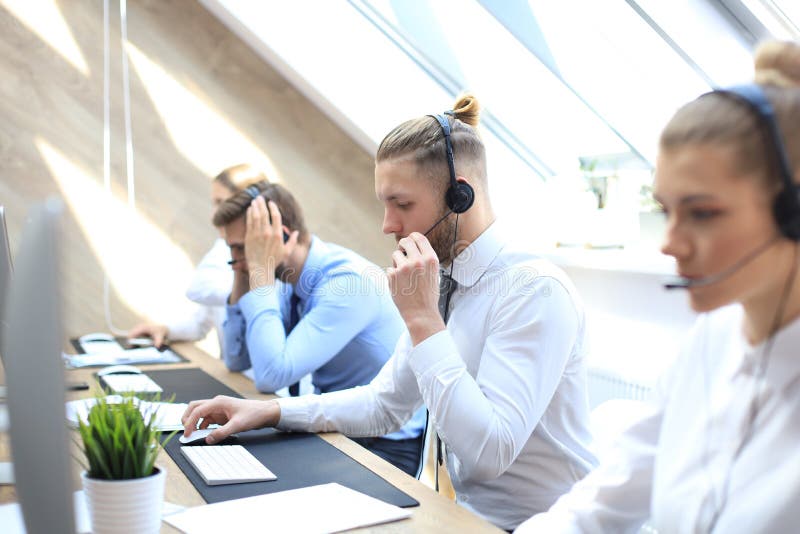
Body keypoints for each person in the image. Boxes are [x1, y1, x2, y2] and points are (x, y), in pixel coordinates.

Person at [183, 93, 597, 530]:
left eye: (402, 205)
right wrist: (272, 413)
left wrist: (423, 321)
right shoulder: (440, 280)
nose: (387, 224)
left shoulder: (533, 291)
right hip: (466, 518)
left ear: (461, 196)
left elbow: (490, 454)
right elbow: (385, 405)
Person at [515, 40, 800, 533]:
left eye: (703, 213)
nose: (669, 244)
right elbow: (605, 501)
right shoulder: (708, 345)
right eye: (666, 211)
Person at [213, 181, 426, 476]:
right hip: (334, 427)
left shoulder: (347, 284)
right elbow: (237, 359)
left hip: (383, 446)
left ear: (283, 236)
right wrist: (242, 271)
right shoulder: (291, 277)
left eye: (243, 248)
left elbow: (271, 375)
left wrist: (259, 273)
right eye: (233, 250)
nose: (236, 261)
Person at [128, 164, 269, 356]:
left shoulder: (274, 258)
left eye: (222, 203)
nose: (214, 215)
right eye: (214, 203)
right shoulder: (222, 249)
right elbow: (200, 320)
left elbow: (201, 290)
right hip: (236, 378)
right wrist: (166, 329)